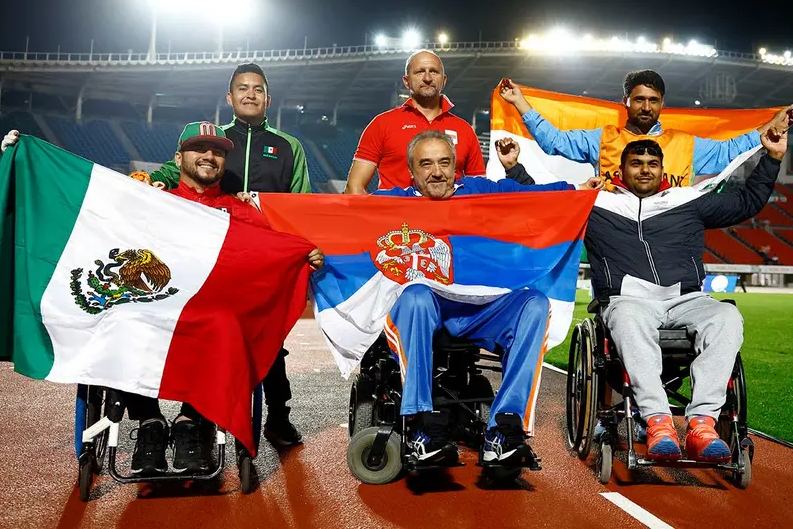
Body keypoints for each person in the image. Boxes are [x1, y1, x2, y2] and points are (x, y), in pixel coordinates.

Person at [508, 128, 786, 462]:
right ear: (621, 170)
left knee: (727, 316)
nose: (645, 169)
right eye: (636, 163)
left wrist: (772, 158)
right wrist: (514, 168)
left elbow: (747, 202)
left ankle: (702, 423)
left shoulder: (687, 200)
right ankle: (658, 421)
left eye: (653, 163)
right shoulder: (597, 203)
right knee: (627, 317)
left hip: (685, 299)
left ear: (662, 169)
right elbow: (544, 205)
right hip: (628, 301)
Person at [372, 130, 601, 464]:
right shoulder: (391, 203)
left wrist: (579, 192)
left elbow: (537, 199)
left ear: (455, 167)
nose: (437, 171)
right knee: (417, 295)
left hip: (485, 309)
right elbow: (342, 224)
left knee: (534, 304)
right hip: (428, 308)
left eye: (444, 162)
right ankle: (423, 424)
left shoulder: (483, 192)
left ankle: (504, 430)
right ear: (412, 172)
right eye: (427, 164)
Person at [126, 121, 324, 474]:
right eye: (199, 148)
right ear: (178, 157)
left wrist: (305, 255)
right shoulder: (154, 204)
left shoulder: (244, 212)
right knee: (125, 318)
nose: (209, 156)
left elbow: (277, 251)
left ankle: (193, 421)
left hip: (213, 320)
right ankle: (149, 424)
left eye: (217, 151)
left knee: (223, 322)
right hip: (159, 315)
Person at [150, 63, 312, 448]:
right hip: (209, 251)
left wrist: (295, 246)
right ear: (230, 97)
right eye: (243, 88)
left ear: (267, 99)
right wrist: (154, 181)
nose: (251, 94)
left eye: (258, 89)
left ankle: (279, 416)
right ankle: (193, 412)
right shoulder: (212, 142)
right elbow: (181, 172)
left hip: (262, 249)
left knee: (272, 338)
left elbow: (301, 203)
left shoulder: (289, 147)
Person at [498, 70, 792, 187]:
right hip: (615, 240)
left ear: (662, 103)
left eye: (653, 101)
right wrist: (521, 103)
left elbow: (731, 150)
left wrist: (768, 128)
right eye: (639, 99)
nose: (646, 107)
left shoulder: (686, 144)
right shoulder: (603, 139)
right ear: (625, 101)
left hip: (669, 240)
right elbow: (555, 141)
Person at [346, 49, 486, 194]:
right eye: (419, 72)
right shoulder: (382, 124)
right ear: (406, 81)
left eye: (434, 71)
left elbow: (479, 190)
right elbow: (354, 188)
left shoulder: (464, 129)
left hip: (449, 215)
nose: (427, 78)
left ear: (443, 80)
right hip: (397, 215)